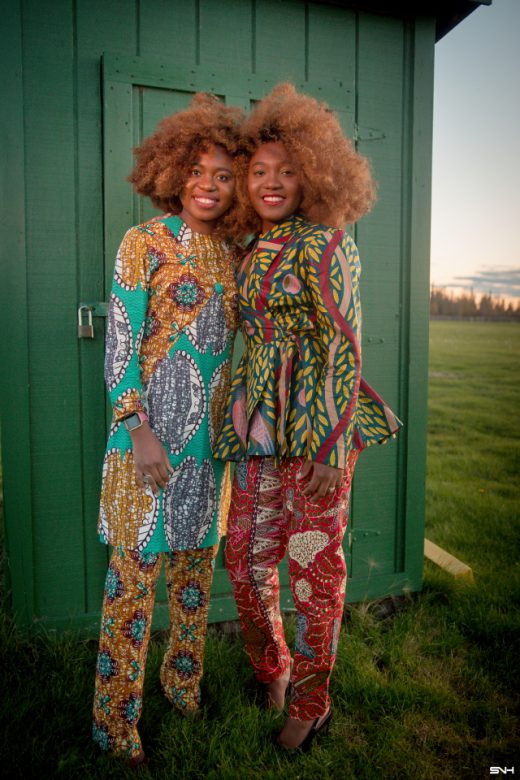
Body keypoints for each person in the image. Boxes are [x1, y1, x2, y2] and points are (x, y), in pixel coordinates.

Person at [215, 83, 402, 751]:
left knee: (312, 569)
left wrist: (330, 445)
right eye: (258, 171)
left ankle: (312, 703)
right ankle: (273, 668)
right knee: (244, 559)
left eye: (287, 170)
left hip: (317, 429)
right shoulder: (248, 248)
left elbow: (345, 344)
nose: (271, 182)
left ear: (314, 176)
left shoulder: (328, 244)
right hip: (258, 429)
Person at [92, 93, 243, 765]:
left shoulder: (236, 255)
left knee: (192, 585)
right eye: (197, 171)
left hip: (208, 451)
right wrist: (137, 427)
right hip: (143, 445)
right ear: (174, 172)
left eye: (224, 175)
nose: (208, 185)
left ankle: (182, 689)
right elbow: (121, 342)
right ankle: (114, 723)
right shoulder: (143, 243)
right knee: (132, 587)